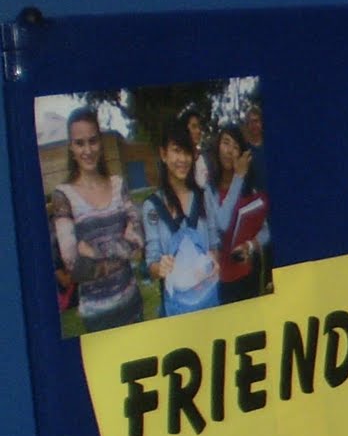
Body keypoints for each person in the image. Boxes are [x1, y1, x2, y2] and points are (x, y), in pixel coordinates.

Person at [47, 107, 144, 332]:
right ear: (71, 147)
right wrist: (122, 249)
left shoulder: (118, 184)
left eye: (93, 141)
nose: (88, 150)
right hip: (97, 316)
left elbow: (138, 241)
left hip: (133, 303)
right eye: (80, 143)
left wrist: (94, 253)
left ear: (101, 142)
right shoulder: (63, 196)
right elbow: (75, 269)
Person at [142, 117, 220, 316]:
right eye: (176, 151)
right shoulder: (152, 206)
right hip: (177, 307)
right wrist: (160, 267)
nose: (183, 159)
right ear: (163, 154)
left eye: (187, 152)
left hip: (208, 298)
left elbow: (214, 243)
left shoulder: (204, 196)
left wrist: (213, 260)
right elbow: (151, 263)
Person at [207, 124, 269, 303]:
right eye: (226, 143)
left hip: (247, 273)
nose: (229, 151)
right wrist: (238, 178)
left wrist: (250, 246)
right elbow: (222, 224)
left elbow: (266, 231)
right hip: (218, 280)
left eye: (235, 147)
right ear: (217, 146)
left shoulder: (250, 189)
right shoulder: (208, 189)